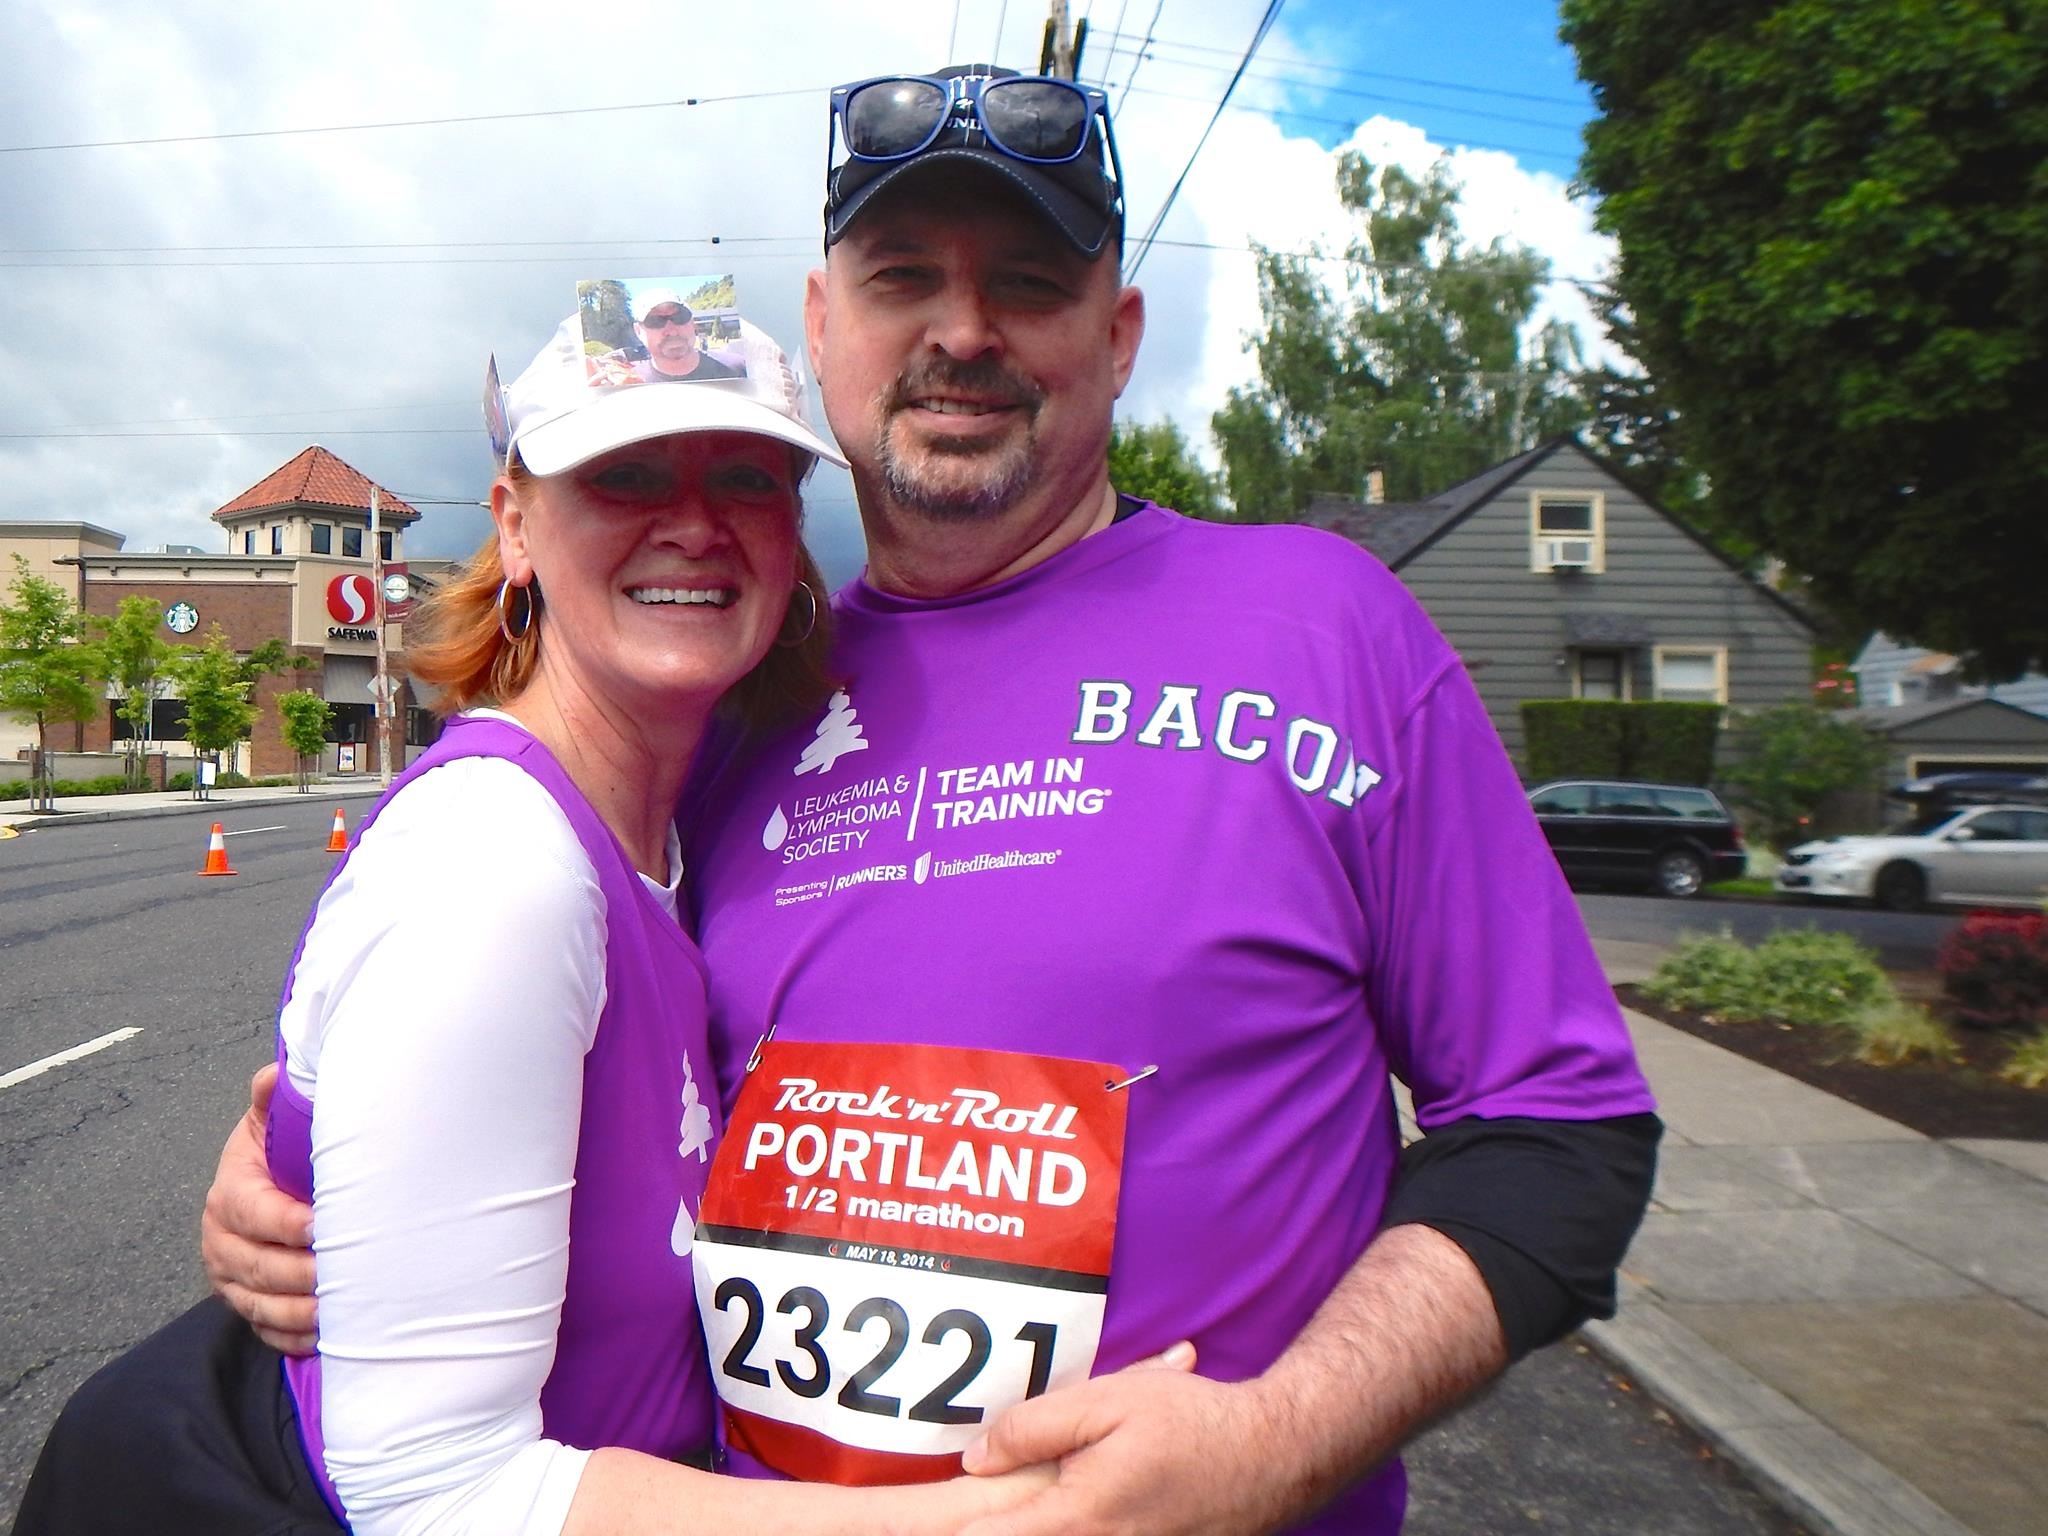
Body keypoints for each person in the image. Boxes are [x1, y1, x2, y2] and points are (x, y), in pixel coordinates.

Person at [203, 65, 1661, 1535]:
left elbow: (1560, 1130)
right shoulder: (729, 712)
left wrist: (1279, 1441)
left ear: (1120, 337)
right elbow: (514, 1058)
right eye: (903, 278)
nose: (962, 332)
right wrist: (305, 1178)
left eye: (1028, 281)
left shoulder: (1322, 630)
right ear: (822, 328)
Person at [17, 305, 1065, 1536]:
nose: (693, 522)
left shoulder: (693, 818)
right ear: (514, 525)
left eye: (746, 478)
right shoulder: (498, 865)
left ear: (791, 536)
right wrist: (1027, 1518)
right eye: (625, 475)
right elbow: (438, 1495)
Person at [607, 287, 744, 383]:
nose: (672, 331)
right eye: (655, 321)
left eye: (680, 317)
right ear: (638, 331)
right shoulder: (627, 383)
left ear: (693, 324)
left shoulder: (739, 369)